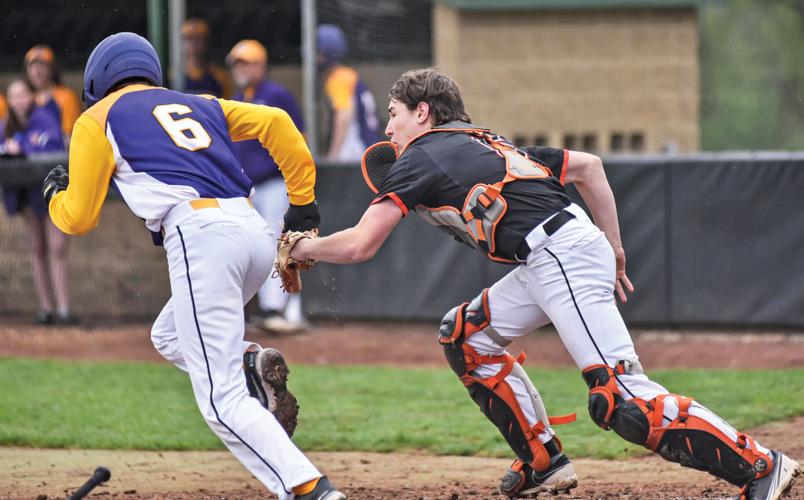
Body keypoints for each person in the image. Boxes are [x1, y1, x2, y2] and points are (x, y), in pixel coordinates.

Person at [286, 68, 801, 500]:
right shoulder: (487, 143)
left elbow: (360, 245)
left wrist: (300, 247)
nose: (388, 127)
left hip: (559, 255)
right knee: (465, 337)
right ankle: (543, 461)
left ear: (422, 113)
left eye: (394, 113)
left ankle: (759, 466)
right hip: (553, 254)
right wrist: (614, 247)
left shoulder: (422, 154)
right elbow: (589, 168)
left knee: (622, 401)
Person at [43, 32, 344, 500]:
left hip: (202, 237)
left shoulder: (95, 118)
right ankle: (249, 364)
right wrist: (303, 202)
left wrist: (54, 199)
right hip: (252, 233)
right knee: (168, 335)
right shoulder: (197, 102)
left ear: (97, 81)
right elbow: (277, 122)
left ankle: (311, 490)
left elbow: (79, 218)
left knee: (221, 400)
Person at [227, 39, 308, 333]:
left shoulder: (275, 94)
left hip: (274, 182)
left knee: (277, 242)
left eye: (246, 63)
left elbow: (298, 135)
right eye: (237, 64)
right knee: (249, 246)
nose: (241, 69)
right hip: (246, 189)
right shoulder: (236, 98)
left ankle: (277, 308)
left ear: (261, 65)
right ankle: (255, 310)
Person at [1, 78, 74, 325]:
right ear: (9, 101)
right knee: (38, 247)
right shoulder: (6, 125)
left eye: (23, 94)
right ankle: (46, 308)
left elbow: (52, 146)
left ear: (31, 96)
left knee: (57, 246)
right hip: (27, 194)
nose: (19, 100)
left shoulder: (45, 117)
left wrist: (21, 147)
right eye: (14, 96)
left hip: (51, 193)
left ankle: (64, 309)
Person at [317, 24, 381, 162]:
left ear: (325, 53)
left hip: (355, 148)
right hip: (367, 145)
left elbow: (344, 114)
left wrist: (334, 154)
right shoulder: (348, 75)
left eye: (317, 53)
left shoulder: (338, 78)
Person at [23, 45, 81, 143]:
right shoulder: (27, 98)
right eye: (32, 67)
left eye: (41, 66)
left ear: (52, 69)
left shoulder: (66, 97)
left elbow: (69, 138)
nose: (37, 72)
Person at [180, 18, 232, 98]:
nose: (194, 44)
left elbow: (227, 102)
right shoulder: (173, 76)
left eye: (199, 38)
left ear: (206, 41)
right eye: (190, 38)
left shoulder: (219, 76)